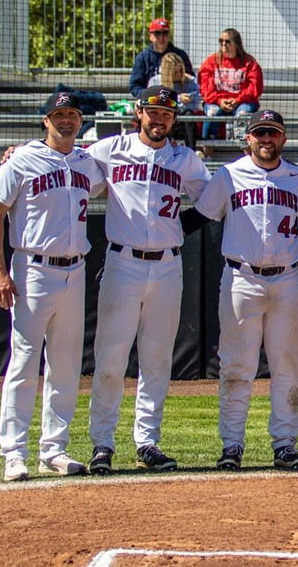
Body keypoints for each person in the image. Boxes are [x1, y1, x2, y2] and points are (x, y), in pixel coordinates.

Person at [85, 85, 212, 475]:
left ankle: (147, 441)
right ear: (139, 112)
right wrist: (18, 154)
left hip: (167, 265)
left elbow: (210, 202)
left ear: (175, 119)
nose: (159, 119)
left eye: (167, 114)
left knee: (157, 358)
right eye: (153, 112)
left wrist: (175, 228)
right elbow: (66, 168)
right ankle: (103, 442)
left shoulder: (184, 159)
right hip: (123, 261)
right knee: (111, 356)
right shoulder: (110, 149)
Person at [0, 92, 105, 481]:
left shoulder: (87, 161)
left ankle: (53, 448)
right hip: (32, 269)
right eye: (58, 115)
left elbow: (118, 170)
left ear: (80, 120)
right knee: (24, 360)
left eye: (72, 114)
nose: (66, 120)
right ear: (45, 120)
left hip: (75, 269)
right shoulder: (21, 159)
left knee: (66, 363)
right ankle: (13, 452)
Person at [182, 109, 298, 471]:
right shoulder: (229, 175)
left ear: (283, 139)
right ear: (248, 139)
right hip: (241, 278)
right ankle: (232, 445)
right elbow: (200, 216)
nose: (266, 139)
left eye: (273, 133)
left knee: (288, 364)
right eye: (260, 133)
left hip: (286, 279)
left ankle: (285, 444)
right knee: (236, 366)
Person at [198, 28, 263, 141]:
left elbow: (255, 88)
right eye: (221, 41)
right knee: (213, 112)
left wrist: (238, 100)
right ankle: (207, 148)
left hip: (243, 101)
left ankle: (244, 147)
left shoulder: (249, 63)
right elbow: (205, 87)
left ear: (236, 44)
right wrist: (219, 101)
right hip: (217, 101)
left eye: (227, 41)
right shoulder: (212, 61)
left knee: (243, 114)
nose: (223, 44)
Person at [148, 52, 203, 154]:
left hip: (183, 124)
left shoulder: (190, 82)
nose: (178, 74)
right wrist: (178, 99)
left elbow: (195, 104)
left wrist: (181, 104)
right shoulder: (155, 82)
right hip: (164, 123)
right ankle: (165, 151)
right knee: (166, 115)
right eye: (175, 72)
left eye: (180, 70)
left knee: (189, 114)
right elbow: (156, 103)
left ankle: (191, 152)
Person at [129, 18, 194, 98]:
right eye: (157, 33)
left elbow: (190, 80)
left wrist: (182, 96)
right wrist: (151, 95)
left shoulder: (180, 56)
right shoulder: (143, 58)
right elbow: (135, 86)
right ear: (150, 36)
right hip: (151, 101)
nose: (161, 37)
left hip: (178, 103)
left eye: (165, 33)